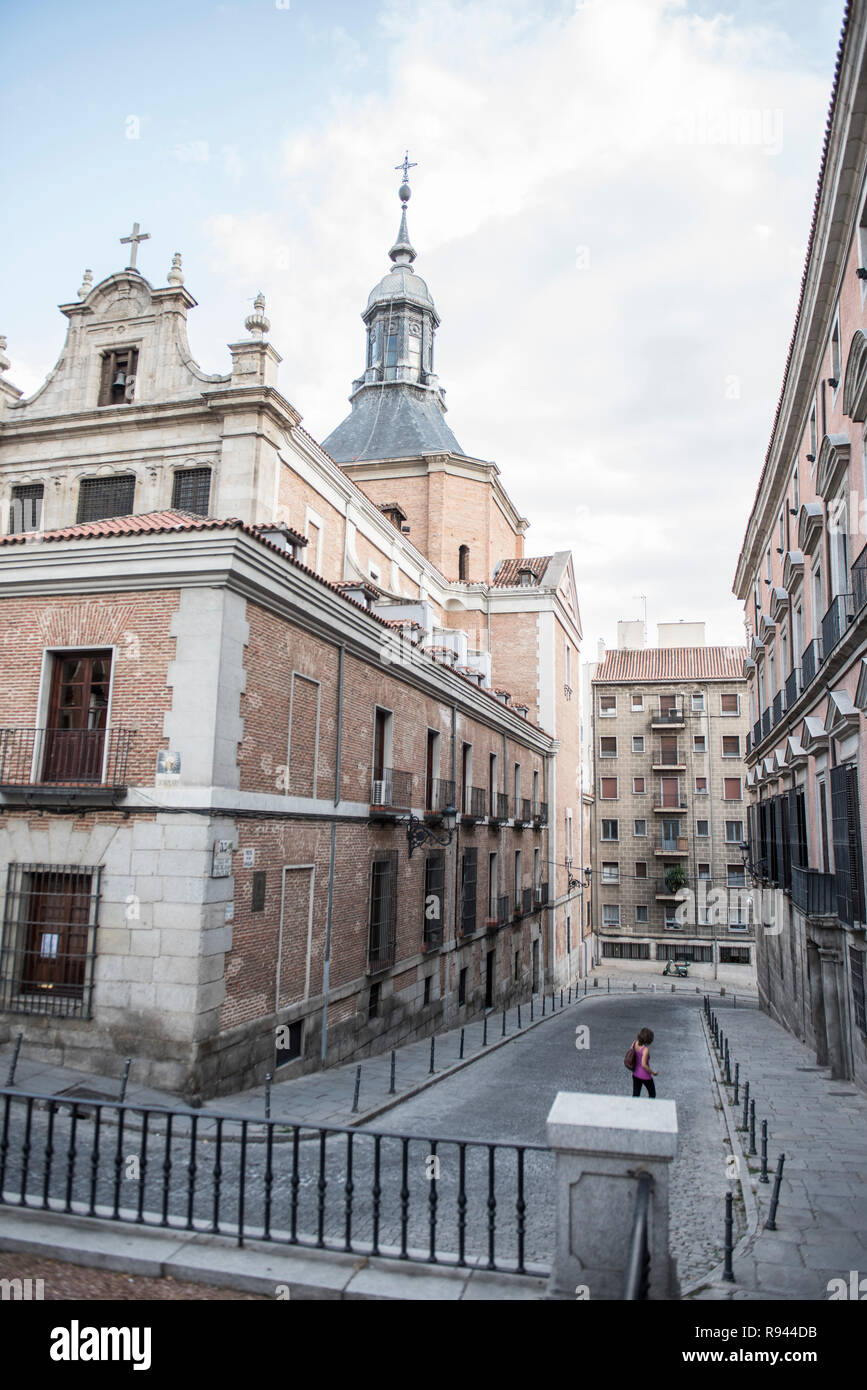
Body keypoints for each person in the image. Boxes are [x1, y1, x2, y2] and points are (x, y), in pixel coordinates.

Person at [631, 1027, 657, 1098]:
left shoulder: (634, 1043)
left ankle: (634, 1107)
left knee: (636, 1094)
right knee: (652, 1094)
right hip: (645, 1076)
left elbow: (631, 1053)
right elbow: (644, 1064)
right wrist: (653, 1072)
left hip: (635, 1074)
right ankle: (649, 1107)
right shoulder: (645, 1050)